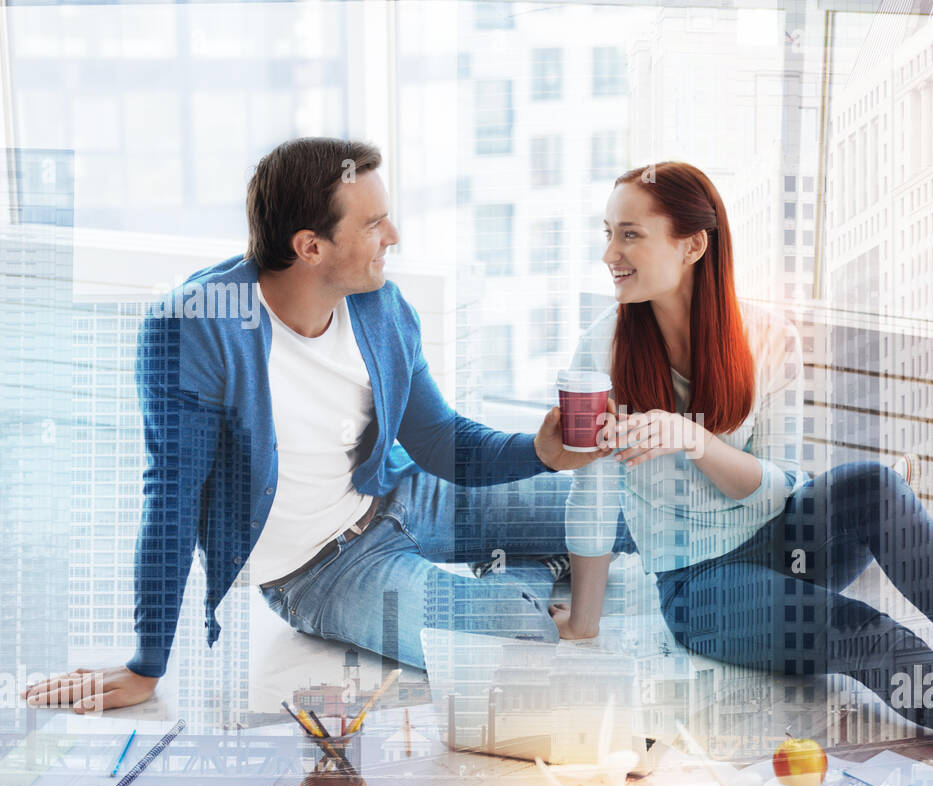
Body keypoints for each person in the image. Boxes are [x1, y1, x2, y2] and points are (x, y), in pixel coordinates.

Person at [552, 161, 933, 786]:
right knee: (860, 630)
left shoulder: (765, 338)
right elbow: (592, 488)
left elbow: (777, 482)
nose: (610, 253)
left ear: (693, 244)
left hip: (784, 541)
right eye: (607, 233)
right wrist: (582, 626)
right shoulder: (602, 350)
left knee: (872, 484)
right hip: (700, 588)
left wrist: (695, 442)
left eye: (630, 234)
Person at [24, 137, 632, 715]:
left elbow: (438, 440)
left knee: (623, 507)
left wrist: (542, 453)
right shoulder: (195, 328)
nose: (392, 236)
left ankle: (526, 565)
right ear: (310, 246)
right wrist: (146, 664)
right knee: (517, 639)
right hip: (324, 572)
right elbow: (172, 498)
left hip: (405, 491)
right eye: (373, 224)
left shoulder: (381, 305)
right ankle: (532, 572)